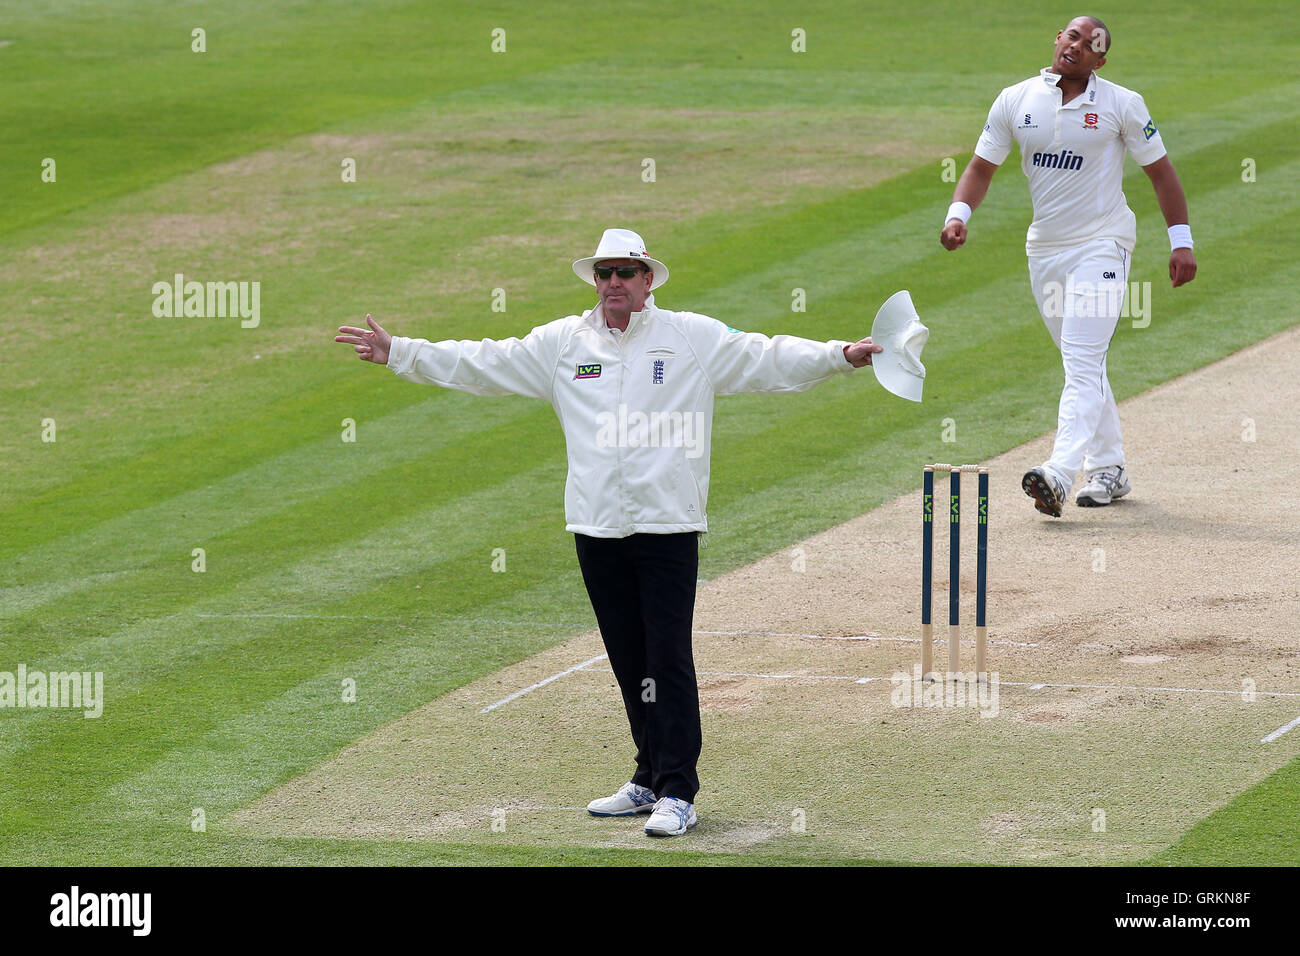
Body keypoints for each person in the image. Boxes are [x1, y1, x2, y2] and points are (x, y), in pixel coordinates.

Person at [334, 227, 883, 836]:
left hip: (667, 522)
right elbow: (484, 360)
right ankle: (648, 777)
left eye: (626, 271)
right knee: (628, 656)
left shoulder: (690, 337)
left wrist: (841, 354)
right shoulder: (563, 343)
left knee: (667, 655)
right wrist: (399, 352)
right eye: (604, 272)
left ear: (649, 278)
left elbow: (768, 356)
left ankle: (679, 790)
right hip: (595, 524)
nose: (614, 283)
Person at [940, 15, 1197, 516]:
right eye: (1071, 36)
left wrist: (1180, 242)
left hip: (1104, 244)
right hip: (1046, 251)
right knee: (1082, 363)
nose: (1076, 47)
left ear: (1100, 60)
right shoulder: (1016, 99)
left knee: (1081, 359)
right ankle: (1110, 468)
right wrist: (958, 215)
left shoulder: (1122, 104)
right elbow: (980, 167)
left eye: (1089, 45)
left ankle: (1058, 473)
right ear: (1057, 38)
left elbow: (1161, 173)